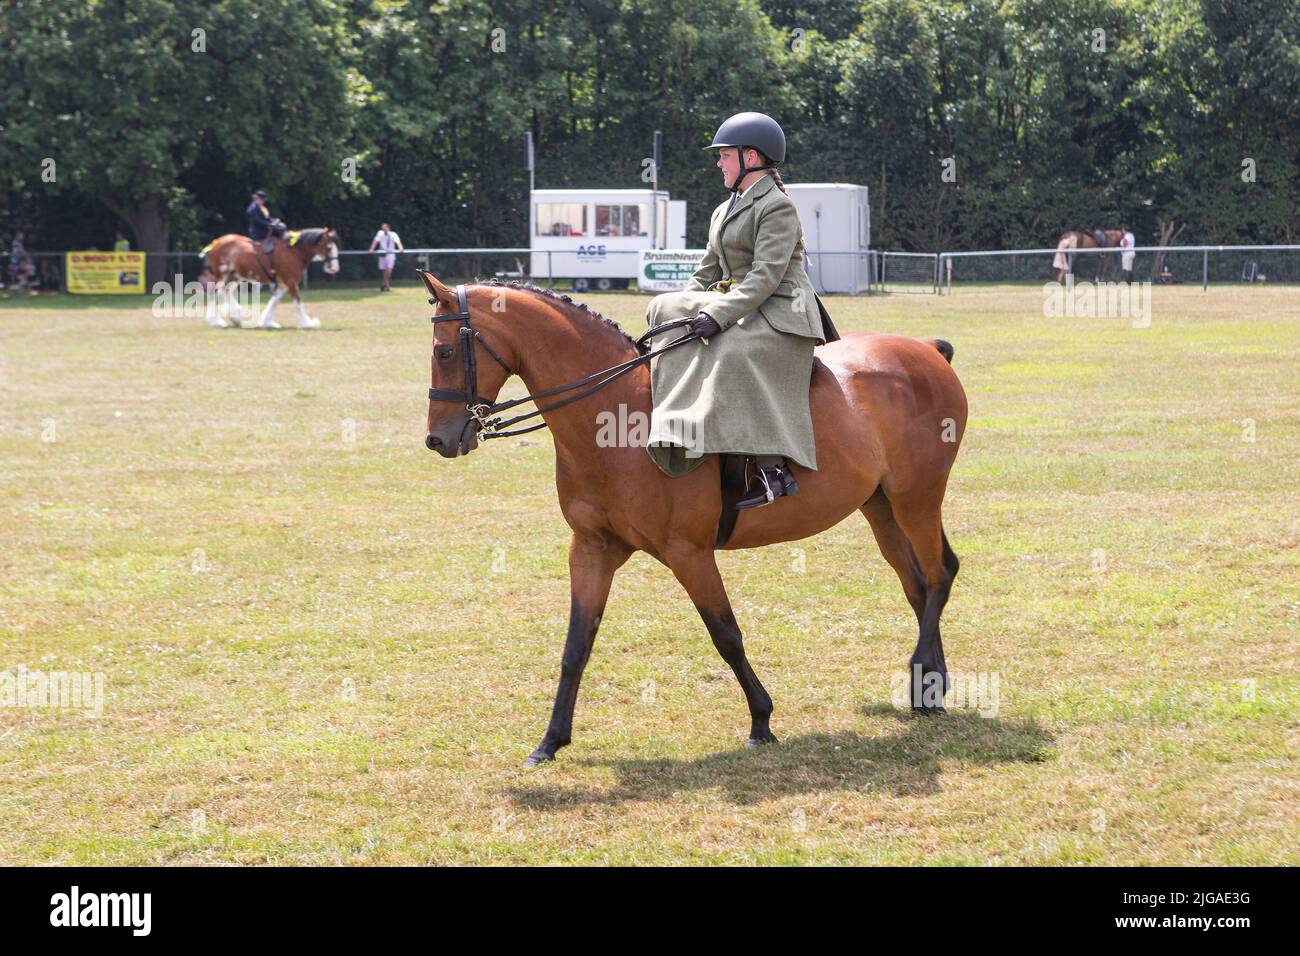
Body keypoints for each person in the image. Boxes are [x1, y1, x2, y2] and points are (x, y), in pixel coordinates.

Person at [642, 111, 838, 510]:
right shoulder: (723, 209)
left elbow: (764, 278)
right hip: (738, 303)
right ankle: (678, 428)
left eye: (724, 155)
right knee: (662, 304)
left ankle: (773, 470)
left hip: (781, 310)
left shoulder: (778, 207)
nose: (718, 163)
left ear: (751, 157)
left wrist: (716, 316)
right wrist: (676, 315)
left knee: (732, 353)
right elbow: (705, 274)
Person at [245, 189, 287, 255]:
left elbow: (268, 218)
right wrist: (270, 224)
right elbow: (258, 221)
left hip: (265, 226)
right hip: (258, 230)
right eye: (262, 200)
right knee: (278, 229)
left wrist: (274, 221)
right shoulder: (252, 209)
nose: (263, 202)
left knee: (282, 226)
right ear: (257, 199)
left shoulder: (262, 208)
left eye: (263, 200)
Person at [368, 223, 404, 291]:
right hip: (382, 255)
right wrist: (371, 249)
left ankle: (383, 284)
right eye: (383, 229)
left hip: (390, 255)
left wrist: (401, 248)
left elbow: (398, 242)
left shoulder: (393, 234)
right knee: (384, 271)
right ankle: (386, 286)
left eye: (385, 229)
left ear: (388, 228)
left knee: (389, 270)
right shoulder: (380, 233)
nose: (384, 230)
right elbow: (375, 241)